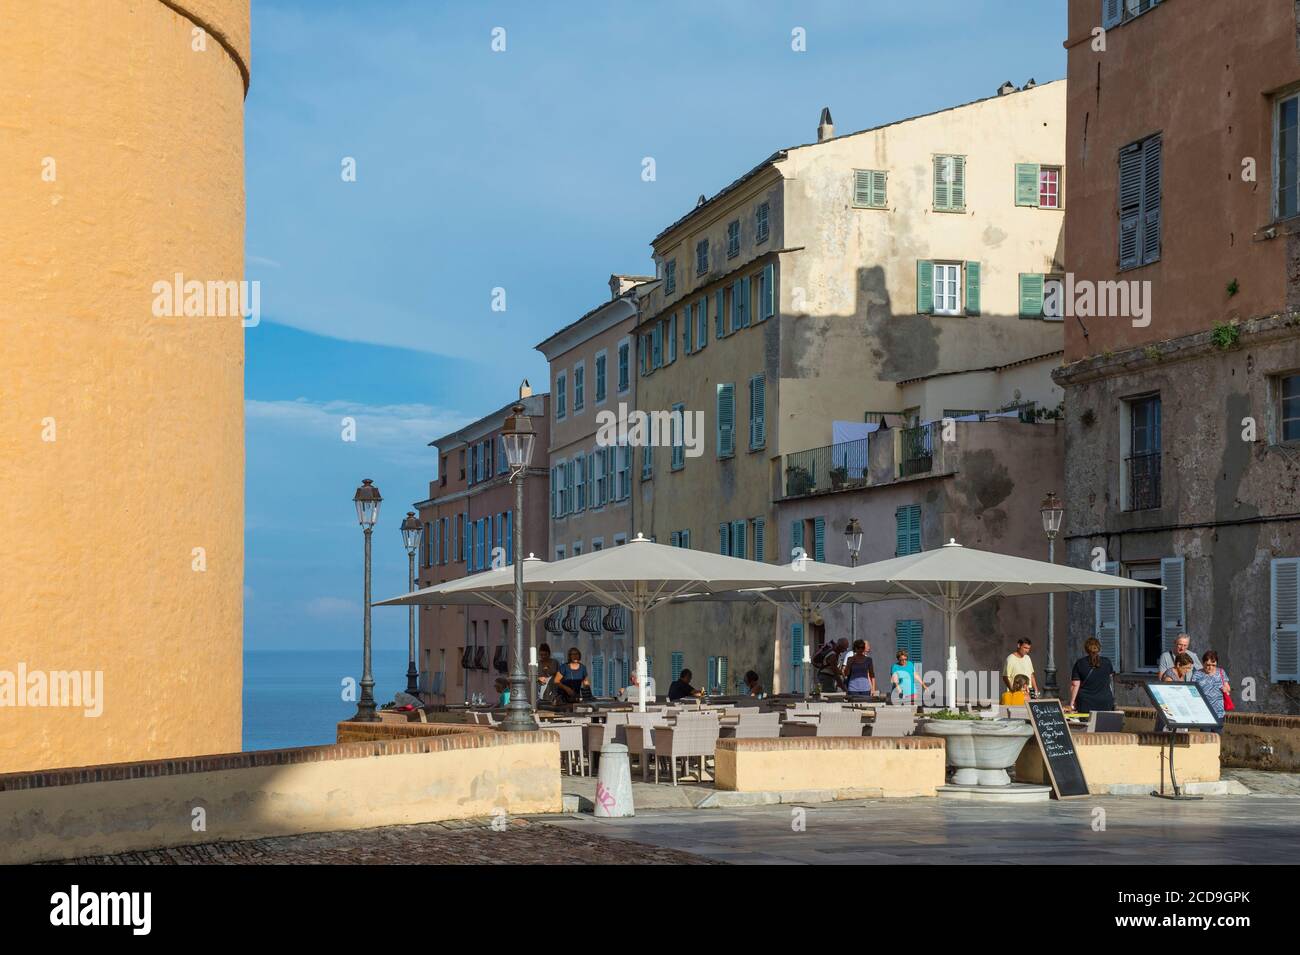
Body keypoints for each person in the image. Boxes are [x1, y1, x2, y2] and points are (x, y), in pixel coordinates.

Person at [1069, 636, 1116, 713]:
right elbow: (1110, 682)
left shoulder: (1080, 663)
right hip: (1105, 701)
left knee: (1087, 724)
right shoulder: (1107, 662)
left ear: (1086, 649)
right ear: (1099, 648)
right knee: (1104, 724)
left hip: (1086, 703)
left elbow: (1075, 684)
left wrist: (1072, 702)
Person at [1190, 650, 1229, 733]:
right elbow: (1192, 692)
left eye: (1213, 665)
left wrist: (1226, 689)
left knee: (1217, 737)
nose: (1210, 667)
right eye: (1207, 665)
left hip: (1218, 712)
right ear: (1203, 663)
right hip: (1204, 712)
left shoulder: (1221, 672)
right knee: (1205, 737)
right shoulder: (1197, 674)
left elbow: (1227, 687)